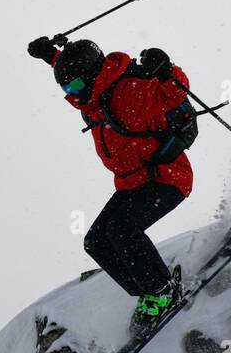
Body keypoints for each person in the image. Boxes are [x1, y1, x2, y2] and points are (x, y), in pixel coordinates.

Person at [27, 35, 193, 333]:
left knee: (122, 230)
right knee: (96, 241)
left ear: (91, 75)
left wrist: (166, 68)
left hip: (165, 178)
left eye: (74, 86)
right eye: (66, 89)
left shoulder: (129, 91)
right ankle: (149, 291)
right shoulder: (93, 99)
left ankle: (163, 291)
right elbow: (77, 72)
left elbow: (173, 92)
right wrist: (50, 56)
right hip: (132, 184)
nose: (71, 94)